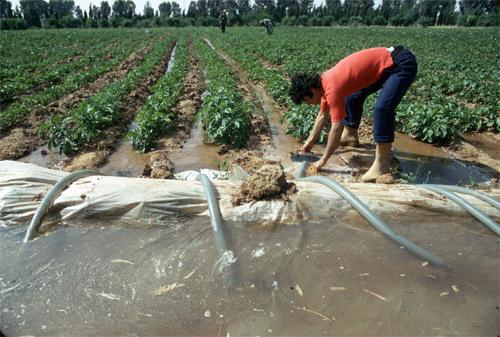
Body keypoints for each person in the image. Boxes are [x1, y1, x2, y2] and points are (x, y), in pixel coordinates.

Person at [288, 46, 417, 182]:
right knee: (352, 97)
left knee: (382, 108)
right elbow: (322, 115)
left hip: (400, 63)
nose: (308, 104)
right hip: (386, 64)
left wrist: (323, 160)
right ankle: (350, 136)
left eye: (306, 100)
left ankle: (382, 163)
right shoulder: (324, 83)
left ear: (312, 90)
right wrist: (307, 145)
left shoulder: (332, 88)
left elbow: (336, 127)